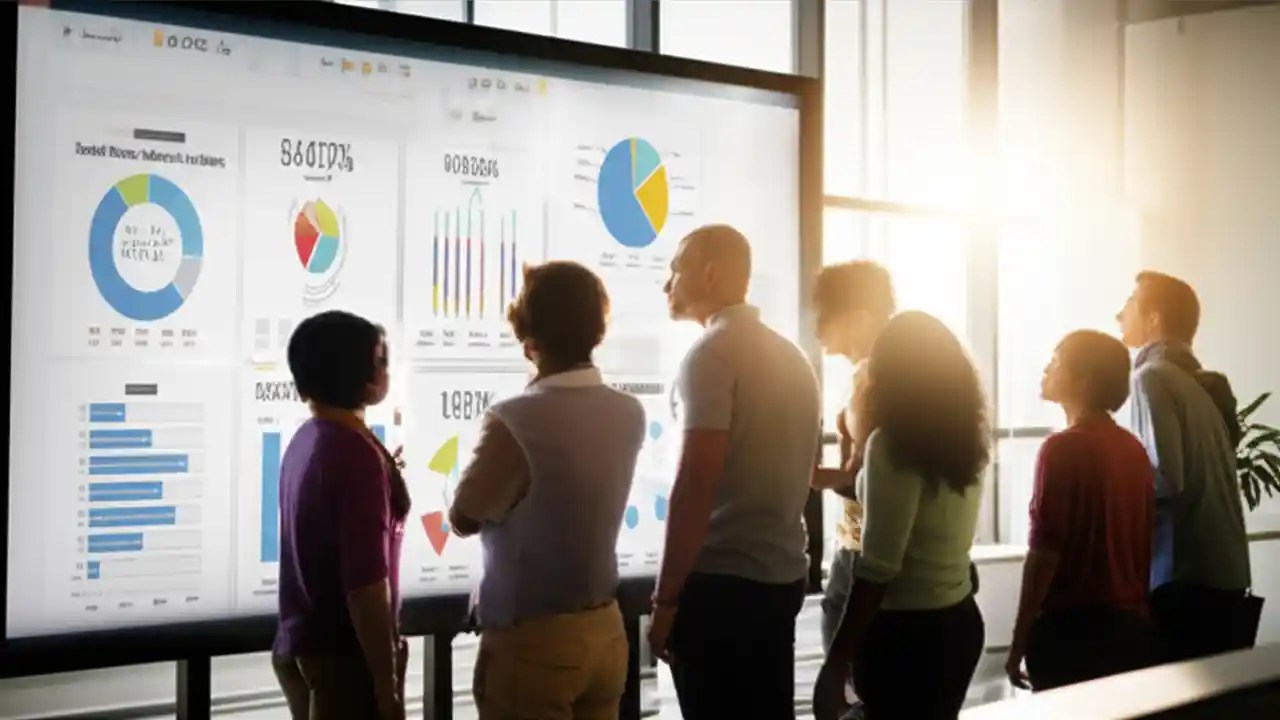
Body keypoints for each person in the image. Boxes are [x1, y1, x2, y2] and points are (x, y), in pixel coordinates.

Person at [449, 261, 645, 720]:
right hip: (606, 632)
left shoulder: (516, 419)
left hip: (534, 642)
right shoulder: (629, 411)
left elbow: (464, 516)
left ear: (528, 335)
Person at [646, 224, 821, 720]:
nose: (667, 284)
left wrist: (665, 602)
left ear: (709, 274)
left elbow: (696, 482)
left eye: (675, 270)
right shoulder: (794, 357)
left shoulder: (710, 356)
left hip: (722, 588)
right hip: (780, 579)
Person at [814, 311, 987, 720]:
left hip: (904, 634)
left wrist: (837, 660)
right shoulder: (968, 439)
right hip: (958, 621)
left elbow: (877, 568)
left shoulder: (892, 444)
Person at [271, 311, 409, 720]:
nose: (386, 369)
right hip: (344, 659)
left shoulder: (307, 439)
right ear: (357, 372)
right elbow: (366, 585)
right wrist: (386, 685)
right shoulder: (354, 454)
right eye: (380, 359)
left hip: (298, 643)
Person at [1006, 330, 1155, 692]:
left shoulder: (1060, 449)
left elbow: (1044, 554)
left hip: (1070, 632)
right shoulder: (1133, 449)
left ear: (1084, 381)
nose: (1045, 369)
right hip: (1128, 628)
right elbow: (1142, 542)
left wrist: (1018, 641)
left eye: (1055, 363)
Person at [1117, 271, 1253, 661]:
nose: (1118, 314)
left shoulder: (1150, 378)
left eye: (1129, 303)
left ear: (1154, 317)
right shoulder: (1199, 383)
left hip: (1184, 578)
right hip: (1224, 575)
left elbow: (1165, 478)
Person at [810, 260, 896, 655]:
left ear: (860, 319)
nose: (818, 328)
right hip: (856, 534)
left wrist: (803, 474)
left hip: (863, 541)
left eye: (827, 316)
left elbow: (863, 479)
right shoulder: (875, 375)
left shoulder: (873, 381)